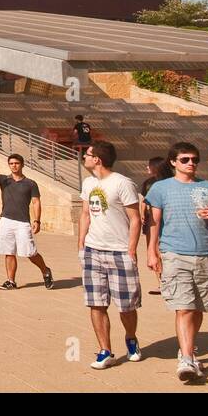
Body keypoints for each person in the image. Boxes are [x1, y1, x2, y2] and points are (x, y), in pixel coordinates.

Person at [146, 141, 208, 382]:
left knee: (198, 307)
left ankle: (189, 350)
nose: (191, 163)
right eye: (185, 159)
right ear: (173, 162)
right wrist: (151, 252)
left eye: (194, 159)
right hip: (174, 253)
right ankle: (186, 359)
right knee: (183, 306)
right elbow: (153, 224)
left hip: (206, 255)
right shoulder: (160, 188)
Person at [77, 140, 142, 369]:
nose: (84, 156)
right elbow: (85, 214)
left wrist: (131, 250)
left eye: (88, 154)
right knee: (96, 304)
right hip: (93, 251)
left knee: (126, 306)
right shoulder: (88, 183)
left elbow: (136, 219)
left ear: (98, 159)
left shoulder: (123, 183)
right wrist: (81, 246)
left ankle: (131, 338)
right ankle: (105, 350)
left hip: (119, 251)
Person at [0, 152, 54, 290]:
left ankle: (45, 270)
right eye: (11, 163)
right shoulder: (4, 180)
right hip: (6, 221)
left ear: (22, 165)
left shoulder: (30, 184)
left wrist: (37, 221)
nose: (14, 166)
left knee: (29, 252)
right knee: (8, 251)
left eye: (16, 163)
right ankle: (11, 281)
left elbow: (36, 202)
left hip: (22, 223)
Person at [139, 157, 174, 295]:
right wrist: (143, 214)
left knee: (164, 251)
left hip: (166, 221)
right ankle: (161, 283)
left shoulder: (169, 183)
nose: (147, 168)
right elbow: (144, 200)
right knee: (154, 251)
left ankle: (169, 282)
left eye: (149, 166)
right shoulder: (148, 183)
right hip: (151, 220)